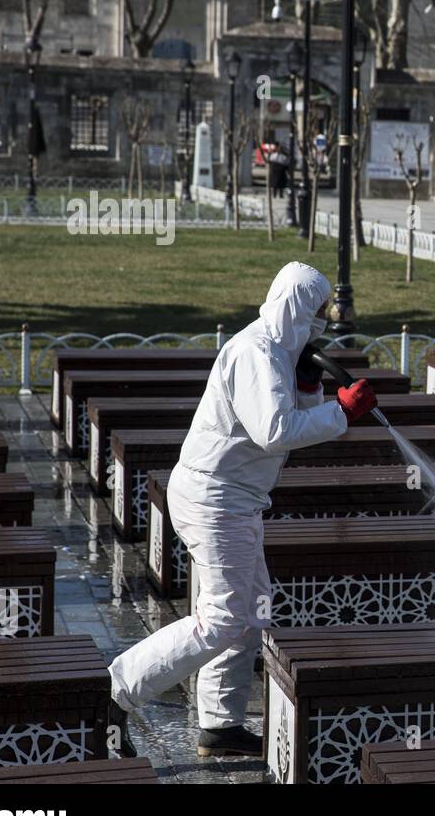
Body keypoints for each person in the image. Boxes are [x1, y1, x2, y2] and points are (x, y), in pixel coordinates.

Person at [107, 262, 378, 758]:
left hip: (237, 500)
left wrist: (311, 387)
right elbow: (273, 431)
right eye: (317, 312)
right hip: (214, 498)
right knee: (223, 619)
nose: (321, 322)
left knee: (250, 614)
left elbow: (285, 418)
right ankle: (116, 692)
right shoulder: (256, 351)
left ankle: (220, 725)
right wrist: (340, 412)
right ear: (296, 306)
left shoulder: (278, 351)